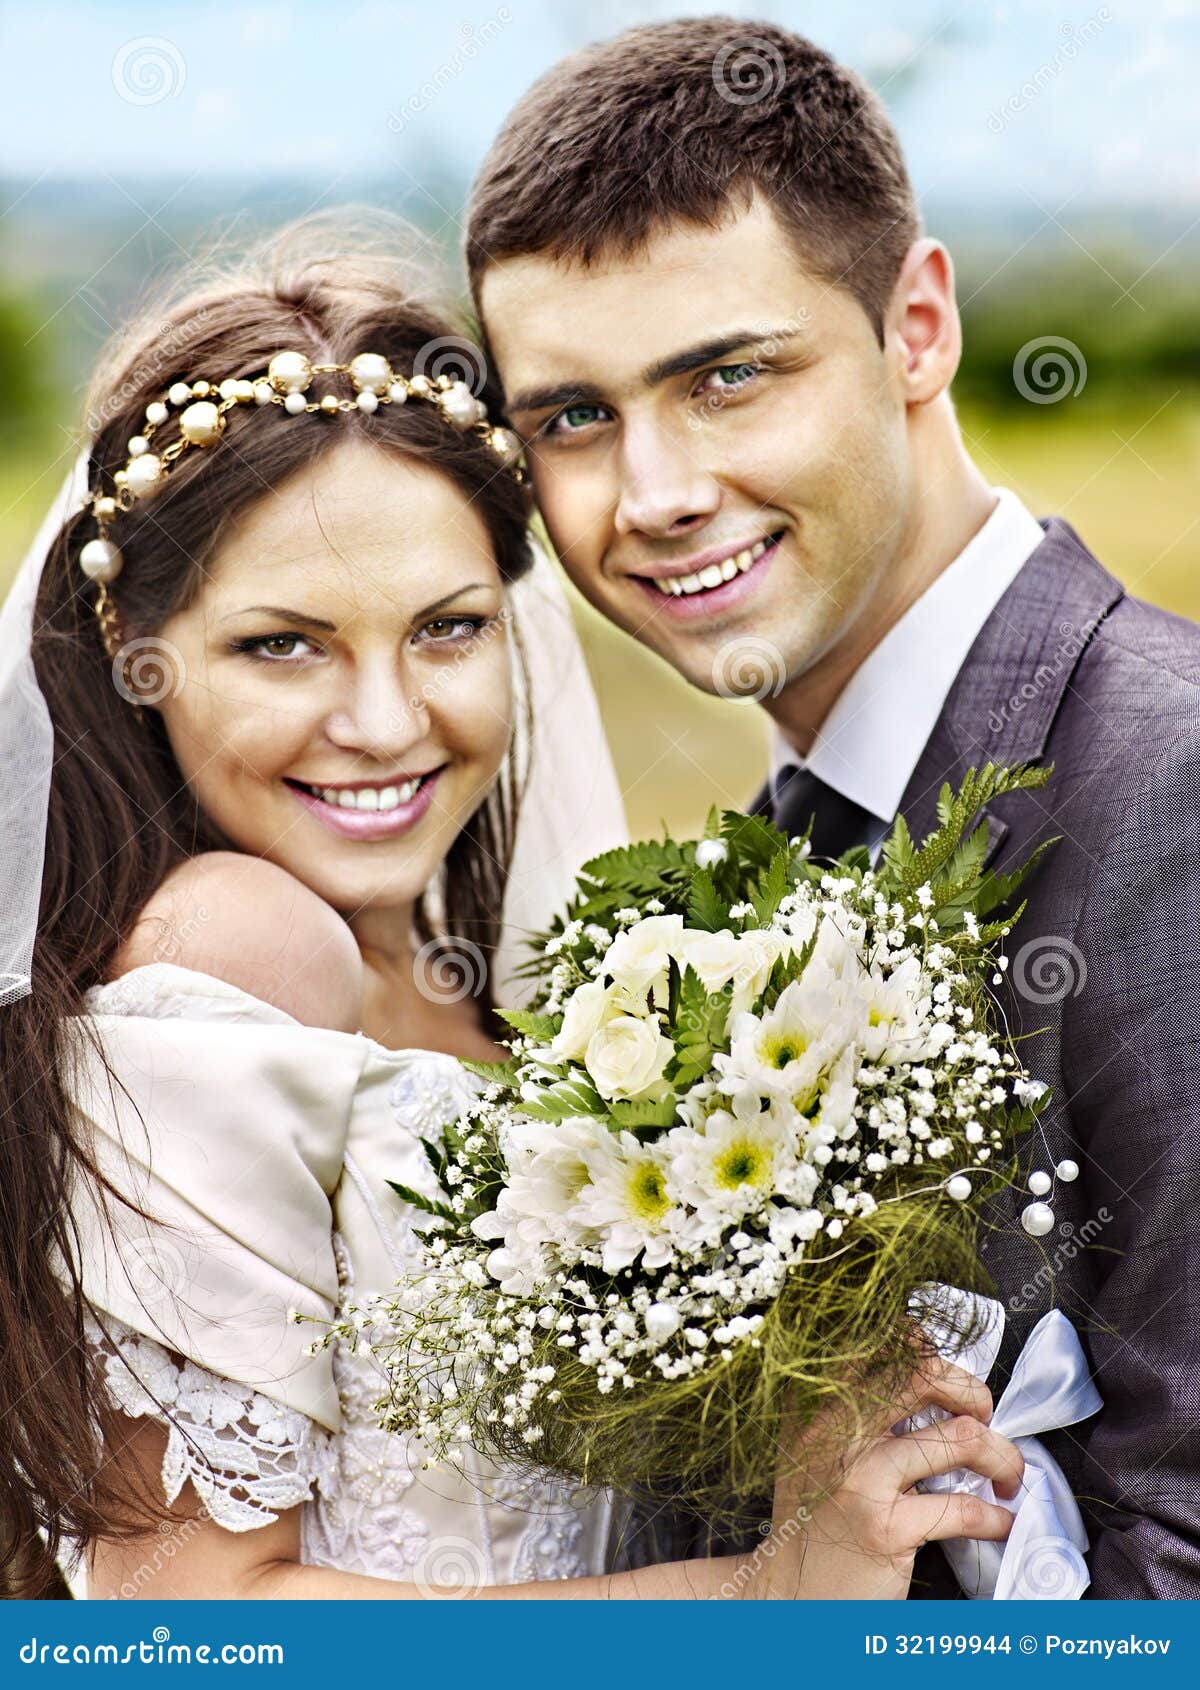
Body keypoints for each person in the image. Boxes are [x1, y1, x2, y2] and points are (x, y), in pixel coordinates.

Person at [0, 215, 1019, 1600]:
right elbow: (182, 1621)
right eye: (283, 644)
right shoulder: (238, 942)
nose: (384, 721)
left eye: (447, 628)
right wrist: (760, 1592)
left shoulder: (489, 981)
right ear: (135, 647)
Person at [467, 15, 1200, 1598]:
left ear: (916, 328)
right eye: (574, 417)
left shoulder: (1169, 791)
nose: (654, 494)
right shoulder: (783, 847)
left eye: (727, 377)